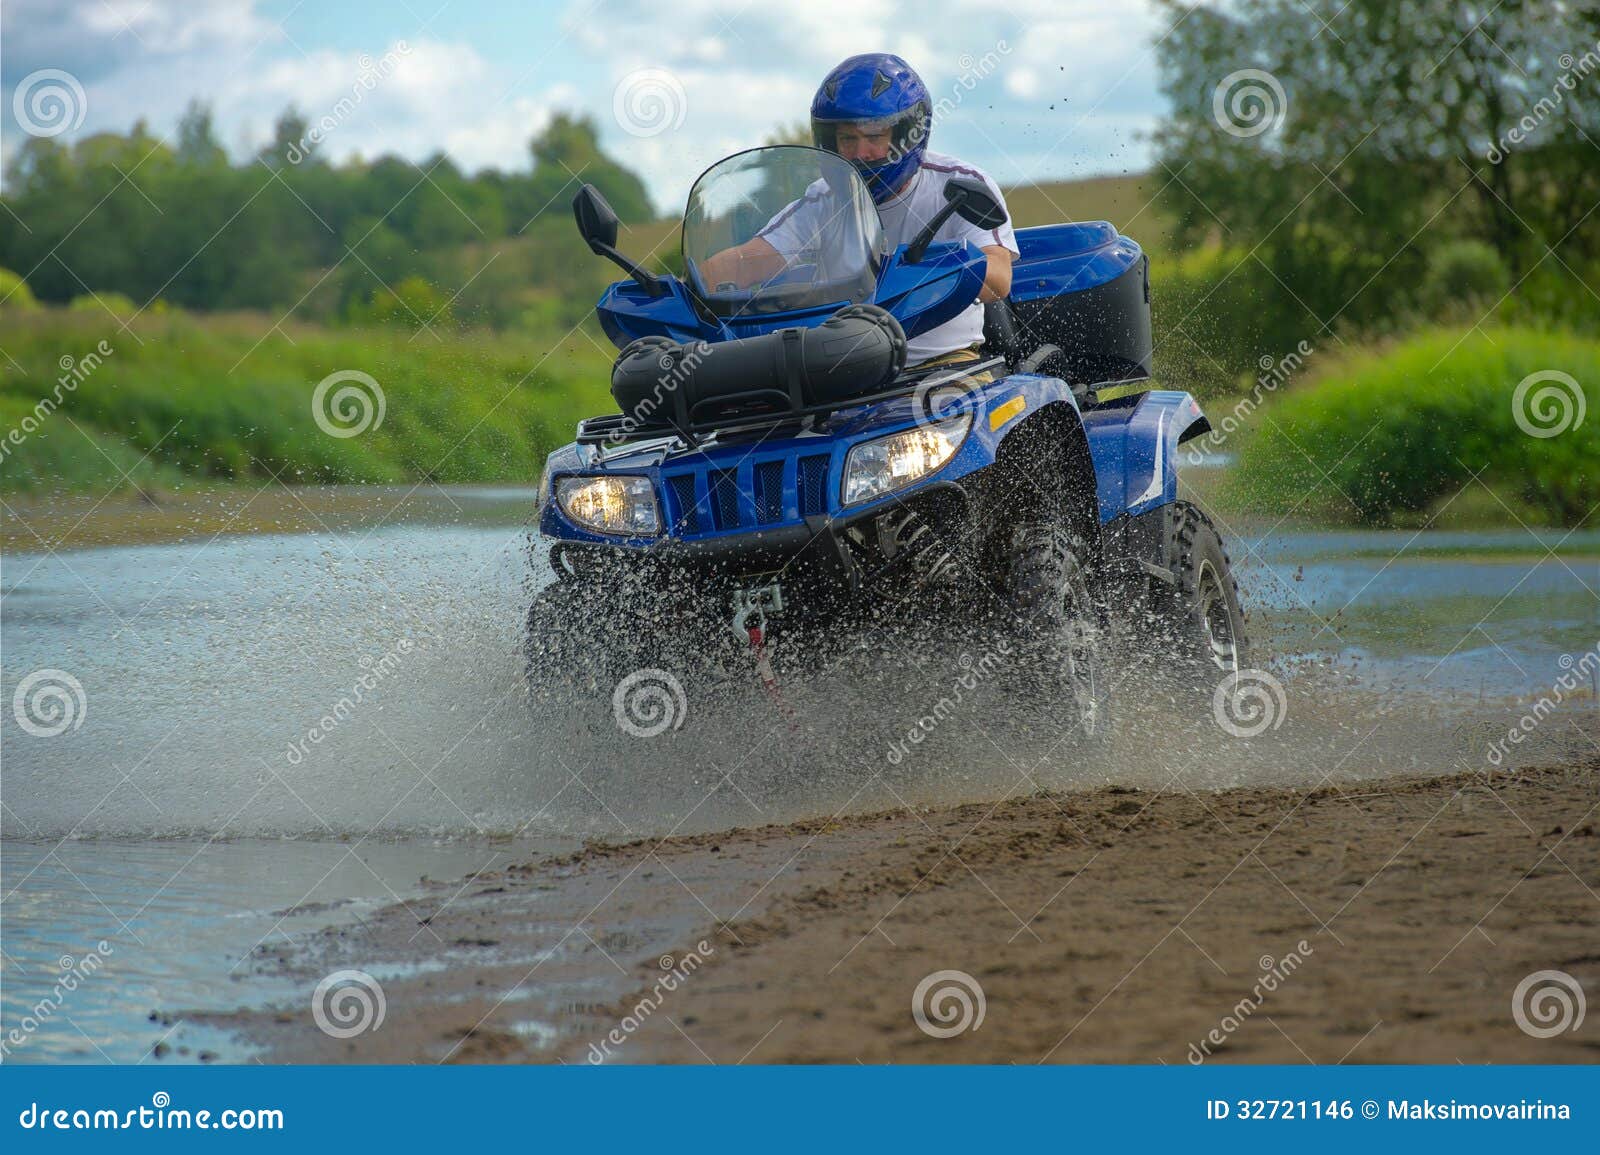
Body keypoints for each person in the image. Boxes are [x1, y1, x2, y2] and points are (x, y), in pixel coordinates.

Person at [699, 53, 1018, 371]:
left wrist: (932, 268)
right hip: (846, 374)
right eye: (847, 138)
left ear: (909, 132)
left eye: (874, 137)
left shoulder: (958, 186)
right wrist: (686, 287)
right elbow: (749, 260)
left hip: (944, 367)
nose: (859, 153)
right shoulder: (822, 201)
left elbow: (998, 280)